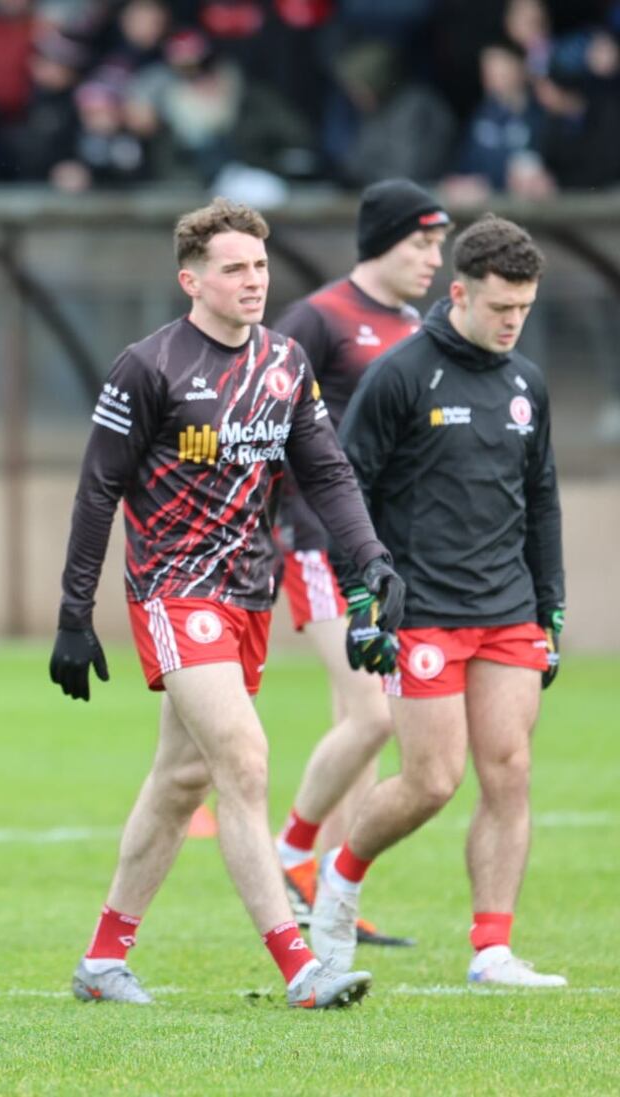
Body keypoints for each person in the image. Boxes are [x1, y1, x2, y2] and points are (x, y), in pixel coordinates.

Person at [50, 198, 400, 1010]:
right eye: (235, 268)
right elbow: (97, 491)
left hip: (251, 593)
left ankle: (103, 960)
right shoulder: (149, 365)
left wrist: (372, 557)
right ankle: (300, 966)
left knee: (180, 779)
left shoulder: (283, 363)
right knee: (242, 757)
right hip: (175, 590)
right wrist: (74, 614)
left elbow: (327, 473)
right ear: (192, 279)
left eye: (261, 267)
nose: (253, 281)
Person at [310, 215, 567, 988]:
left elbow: (542, 500)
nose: (511, 323)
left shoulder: (527, 382)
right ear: (458, 293)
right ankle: (342, 875)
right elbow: (341, 488)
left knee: (510, 770)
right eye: (499, 308)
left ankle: (492, 948)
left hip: (510, 610)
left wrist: (551, 608)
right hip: (421, 610)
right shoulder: (402, 374)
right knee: (432, 778)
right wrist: (362, 597)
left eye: (523, 310)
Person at [269, 179, 452, 948]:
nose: (434, 261)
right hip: (315, 539)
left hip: (381, 553)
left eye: (440, 246)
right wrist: (270, 519)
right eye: (421, 244)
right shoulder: (319, 315)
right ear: (382, 240)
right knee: (376, 712)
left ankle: (336, 897)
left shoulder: (414, 326)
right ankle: (293, 852)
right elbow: (261, 409)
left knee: (363, 719)